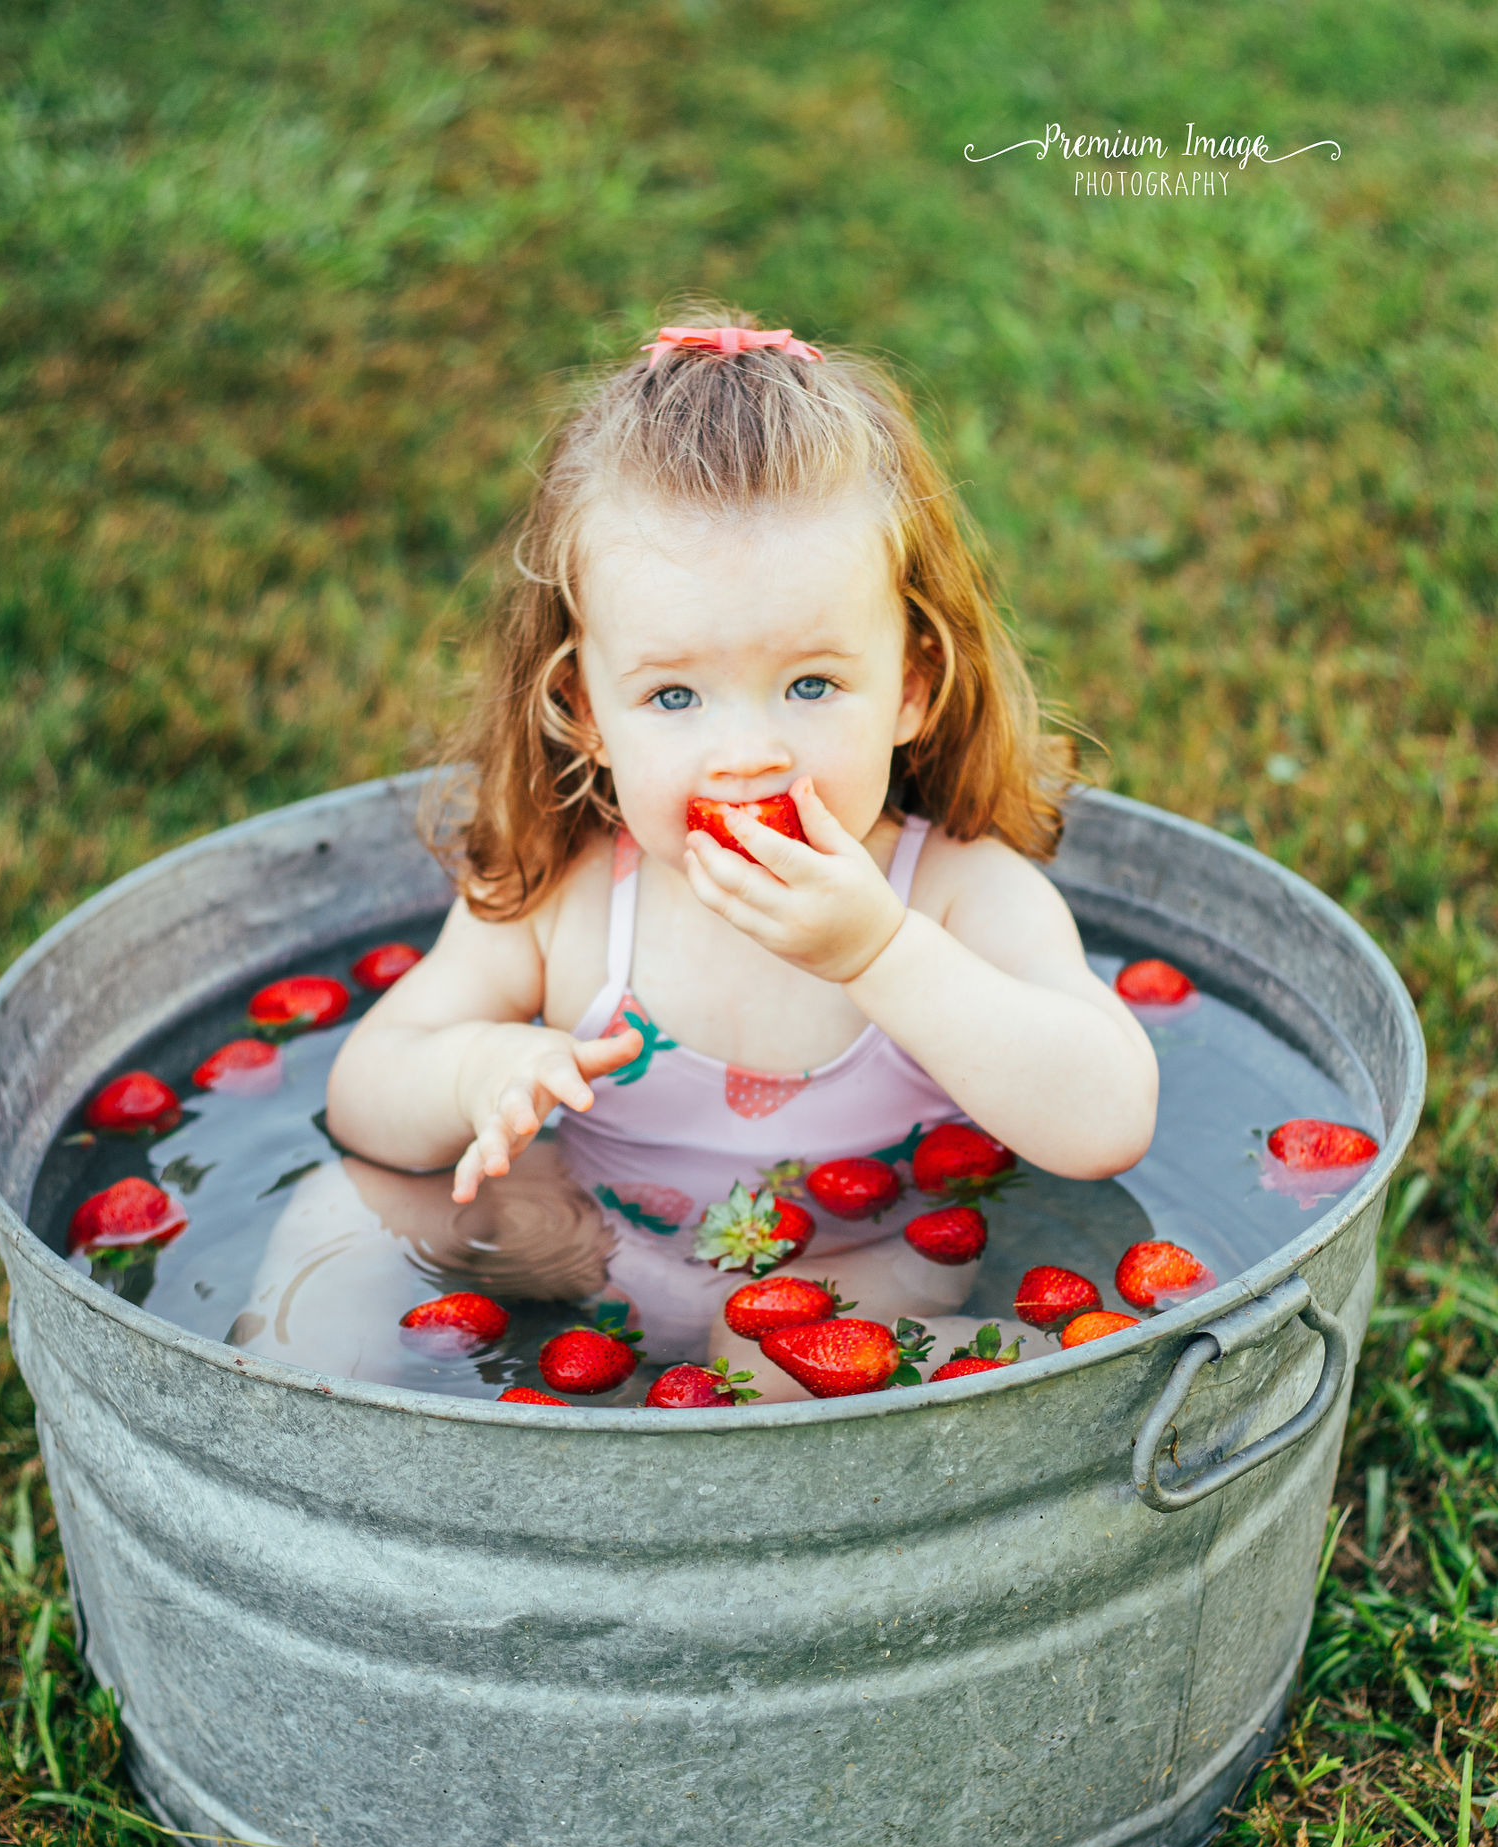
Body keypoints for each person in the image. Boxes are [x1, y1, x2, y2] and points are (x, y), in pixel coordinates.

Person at [322, 312, 1158, 1384]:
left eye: (811, 684)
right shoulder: (564, 897)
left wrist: (878, 953)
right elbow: (364, 1098)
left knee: (753, 1357)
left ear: (910, 683)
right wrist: (477, 1067)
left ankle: (1050, 1387)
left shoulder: (951, 894)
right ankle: (288, 1440)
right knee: (347, 1208)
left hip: (853, 1274)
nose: (747, 754)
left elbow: (1106, 1121)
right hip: (586, 1248)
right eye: (673, 695)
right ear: (585, 710)